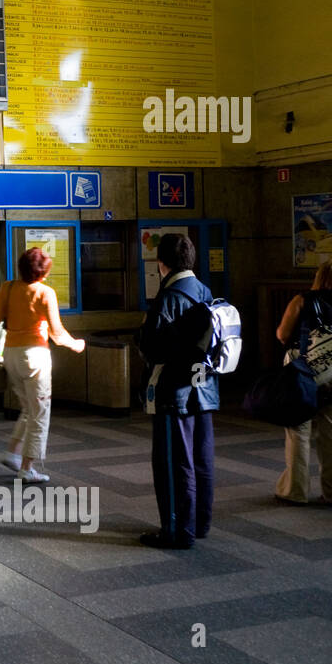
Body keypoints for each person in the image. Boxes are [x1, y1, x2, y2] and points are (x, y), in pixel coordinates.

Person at [136, 234, 217, 549]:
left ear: (161, 262)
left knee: (173, 463)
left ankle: (176, 530)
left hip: (175, 392)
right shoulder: (205, 291)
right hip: (205, 388)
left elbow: (153, 348)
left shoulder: (169, 296)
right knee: (201, 459)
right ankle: (199, 523)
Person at [0, 247, 85, 483]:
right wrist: (76, 344)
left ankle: (12, 452)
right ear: (43, 272)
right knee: (40, 412)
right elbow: (57, 333)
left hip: (10, 355)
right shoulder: (45, 292)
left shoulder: (7, 287)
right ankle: (27, 467)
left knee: (28, 408)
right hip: (36, 358)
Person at [274, 259, 332, 506]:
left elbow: (282, 334)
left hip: (302, 375)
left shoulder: (304, 300)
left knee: (298, 432)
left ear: (319, 277)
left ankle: (294, 490)